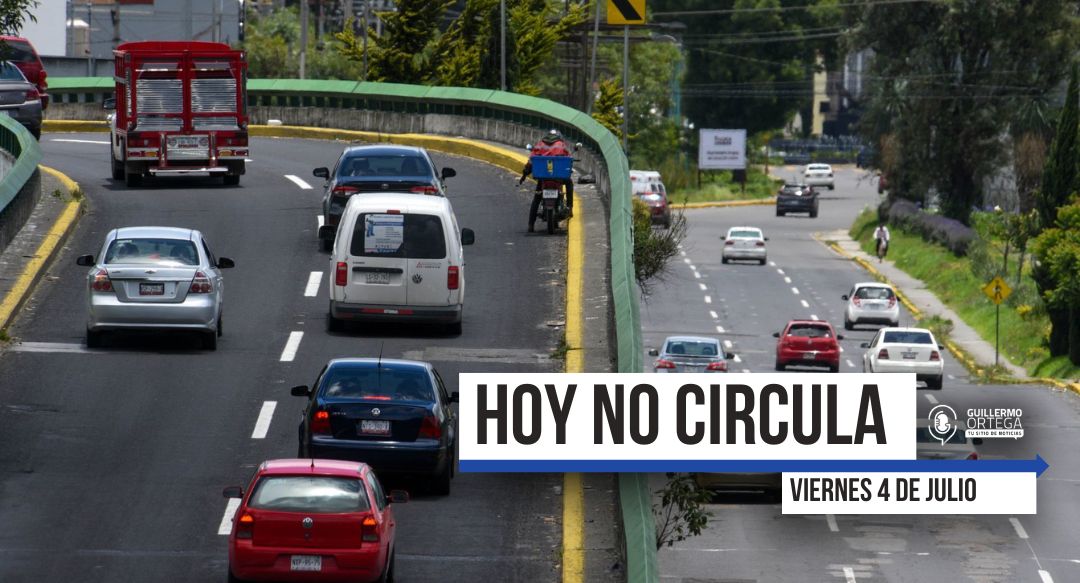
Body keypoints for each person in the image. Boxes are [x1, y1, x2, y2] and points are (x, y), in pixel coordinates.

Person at [518, 129, 574, 232]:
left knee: (537, 199)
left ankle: (531, 225)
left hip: (543, 177)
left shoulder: (540, 144)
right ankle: (570, 208)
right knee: (569, 183)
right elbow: (568, 158)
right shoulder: (561, 145)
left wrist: (525, 173)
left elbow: (531, 160)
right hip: (558, 177)